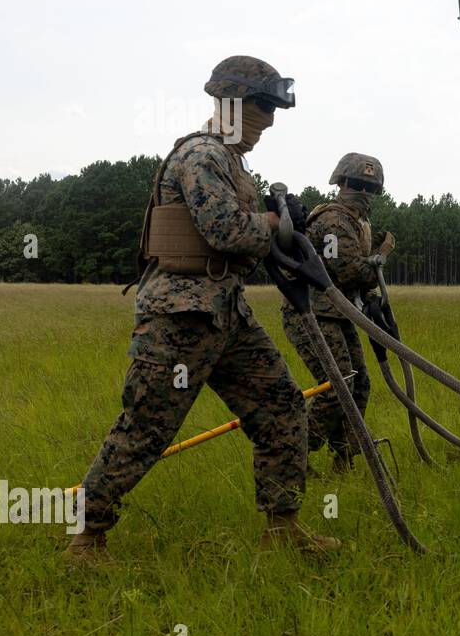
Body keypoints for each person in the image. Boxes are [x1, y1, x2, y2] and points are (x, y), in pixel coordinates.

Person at [69, 55, 339, 560]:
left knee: (283, 407)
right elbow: (226, 231)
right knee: (146, 427)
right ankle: (87, 537)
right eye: (265, 107)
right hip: (179, 319)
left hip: (226, 313)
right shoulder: (202, 156)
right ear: (235, 105)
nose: (271, 121)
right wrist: (275, 223)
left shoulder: (233, 163)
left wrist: (278, 220)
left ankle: (282, 530)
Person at [280, 153, 394, 473]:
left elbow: (354, 278)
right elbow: (348, 271)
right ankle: (293, 456)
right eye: (358, 185)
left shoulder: (356, 223)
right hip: (310, 315)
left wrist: (370, 295)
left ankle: (343, 460)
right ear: (341, 183)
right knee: (337, 388)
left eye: (372, 189)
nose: (365, 194)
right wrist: (382, 255)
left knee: (359, 385)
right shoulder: (333, 221)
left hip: (338, 314)